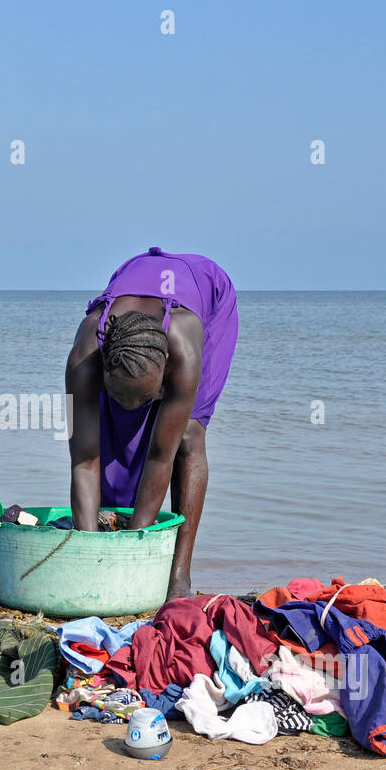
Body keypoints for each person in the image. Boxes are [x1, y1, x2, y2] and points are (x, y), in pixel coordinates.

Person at [65, 247, 238, 602]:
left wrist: (134, 551)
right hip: (133, 275)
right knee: (108, 433)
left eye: (145, 399)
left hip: (207, 293)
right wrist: (87, 556)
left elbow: (161, 457)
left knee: (188, 435)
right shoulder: (83, 358)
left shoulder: (185, 353)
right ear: (103, 370)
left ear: (167, 371)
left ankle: (179, 577)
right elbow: (83, 460)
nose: (132, 409)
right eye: (118, 395)